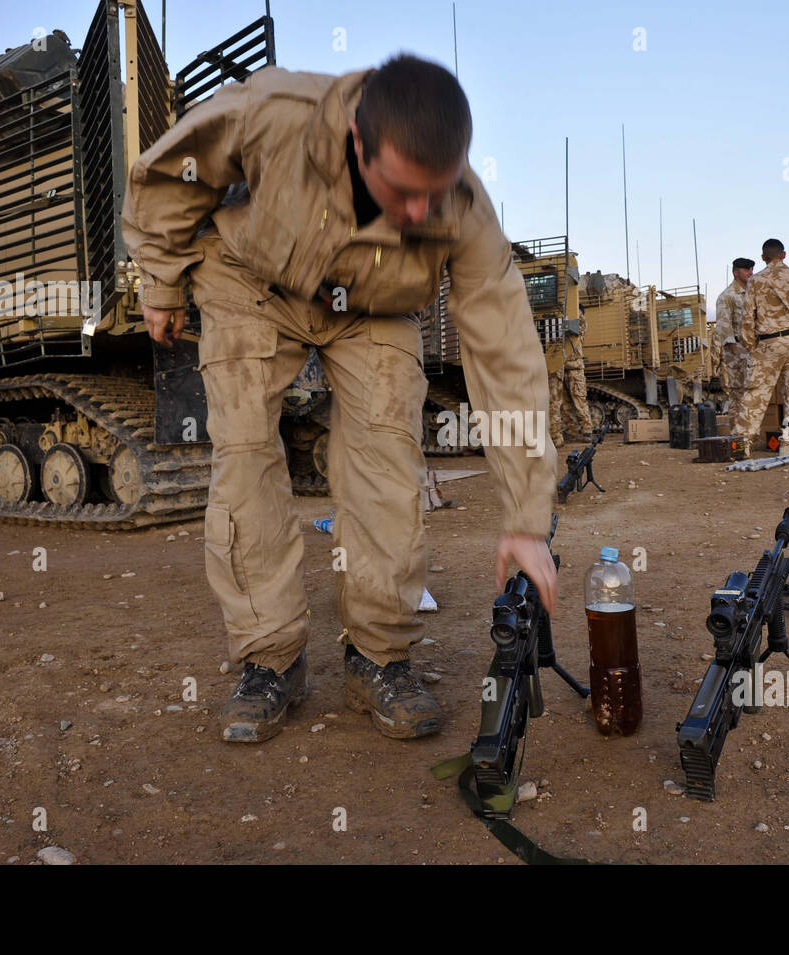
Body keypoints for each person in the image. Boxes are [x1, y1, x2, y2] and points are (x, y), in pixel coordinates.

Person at [121, 55, 558, 743]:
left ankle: (379, 657)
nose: (420, 213)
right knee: (245, 458)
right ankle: (271, 658)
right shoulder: (273, 113)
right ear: (359, 142)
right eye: (404, 192)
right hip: (251, 283)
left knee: (386, 462)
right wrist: (161, 279)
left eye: (433, 195)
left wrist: (526, 520)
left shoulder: (461, 206)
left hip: (374, 308)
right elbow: (172, 174)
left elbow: (505, 352)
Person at [734, 239, 789, 458]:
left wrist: (751, 345)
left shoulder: (756, 281)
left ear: (763, 257)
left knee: (756, 394)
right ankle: (788, 447)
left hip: (768, 342)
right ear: (784, 255)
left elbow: (747, 317)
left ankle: (743, 445)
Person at [712, 257, 754, 431]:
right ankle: (736, 431)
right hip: (737, 349)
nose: (750, 273)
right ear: (736, 272)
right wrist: (733, 348)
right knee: (737, 393)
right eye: (746, 270)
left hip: (753, 348)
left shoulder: (754, 292)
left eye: (751, 269)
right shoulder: (727, 296)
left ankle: (751, 430)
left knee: (753, 391)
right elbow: (723, 324)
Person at [549, 303, 593, 445]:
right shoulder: (559, 323)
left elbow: (578, 325)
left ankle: (587, 430)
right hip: (561, 367)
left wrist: (573, 308)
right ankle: (571, 430)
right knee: (565, 404)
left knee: (579, 399)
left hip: (575, 367)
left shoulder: (580, 322)